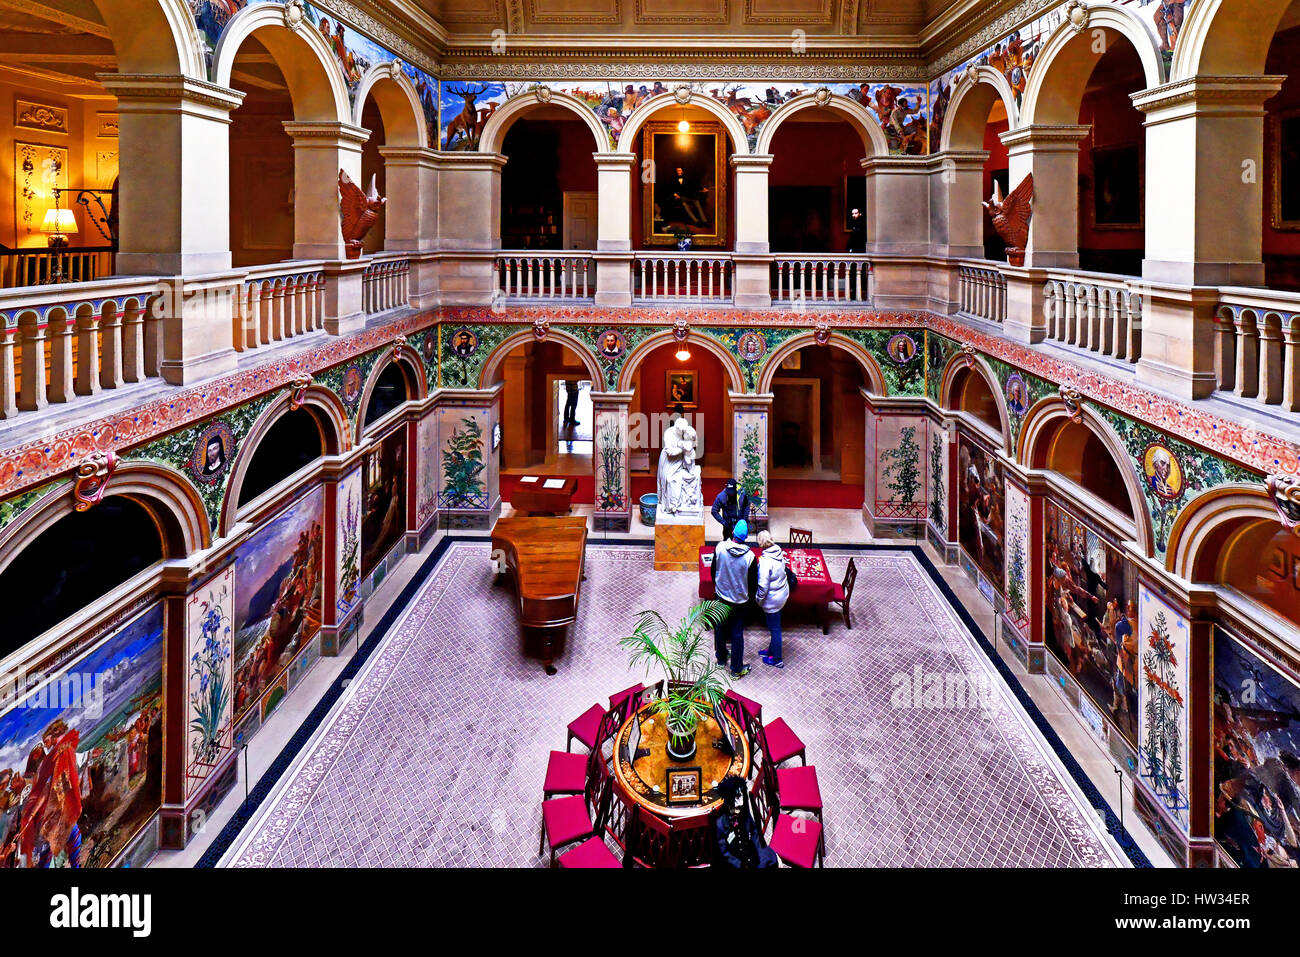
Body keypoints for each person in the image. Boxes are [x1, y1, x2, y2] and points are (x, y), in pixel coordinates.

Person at [711, 519, 757, 679]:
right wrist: (750, 601)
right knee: (737, 634)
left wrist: (718, 588)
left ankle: (721, 659)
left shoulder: (720, 548)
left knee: (720, 628)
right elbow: (753, 584)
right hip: (739, 601)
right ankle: (736, 669)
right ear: (746, 538)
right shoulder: (750, 557)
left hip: (721, 597)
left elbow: (713, 571)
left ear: (732, 533)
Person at [714, 775, 777, 868]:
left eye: (741, 796)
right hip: (736, 863)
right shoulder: (720, 824)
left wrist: (759, 852)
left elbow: (754, 831)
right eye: (736, 797)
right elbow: (725, 854)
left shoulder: (744, 811)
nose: (740, 803)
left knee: (770, 861)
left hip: (751, 852)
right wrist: (741, 865)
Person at [754, 530, 790, 669]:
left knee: (775, 629)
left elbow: (763, 587)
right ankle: (770, 651)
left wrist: (758, 600)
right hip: (781, 595)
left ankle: (777, 659)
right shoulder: (778, 553)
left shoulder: (765, 562)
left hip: (772, 600)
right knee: (774, 627)